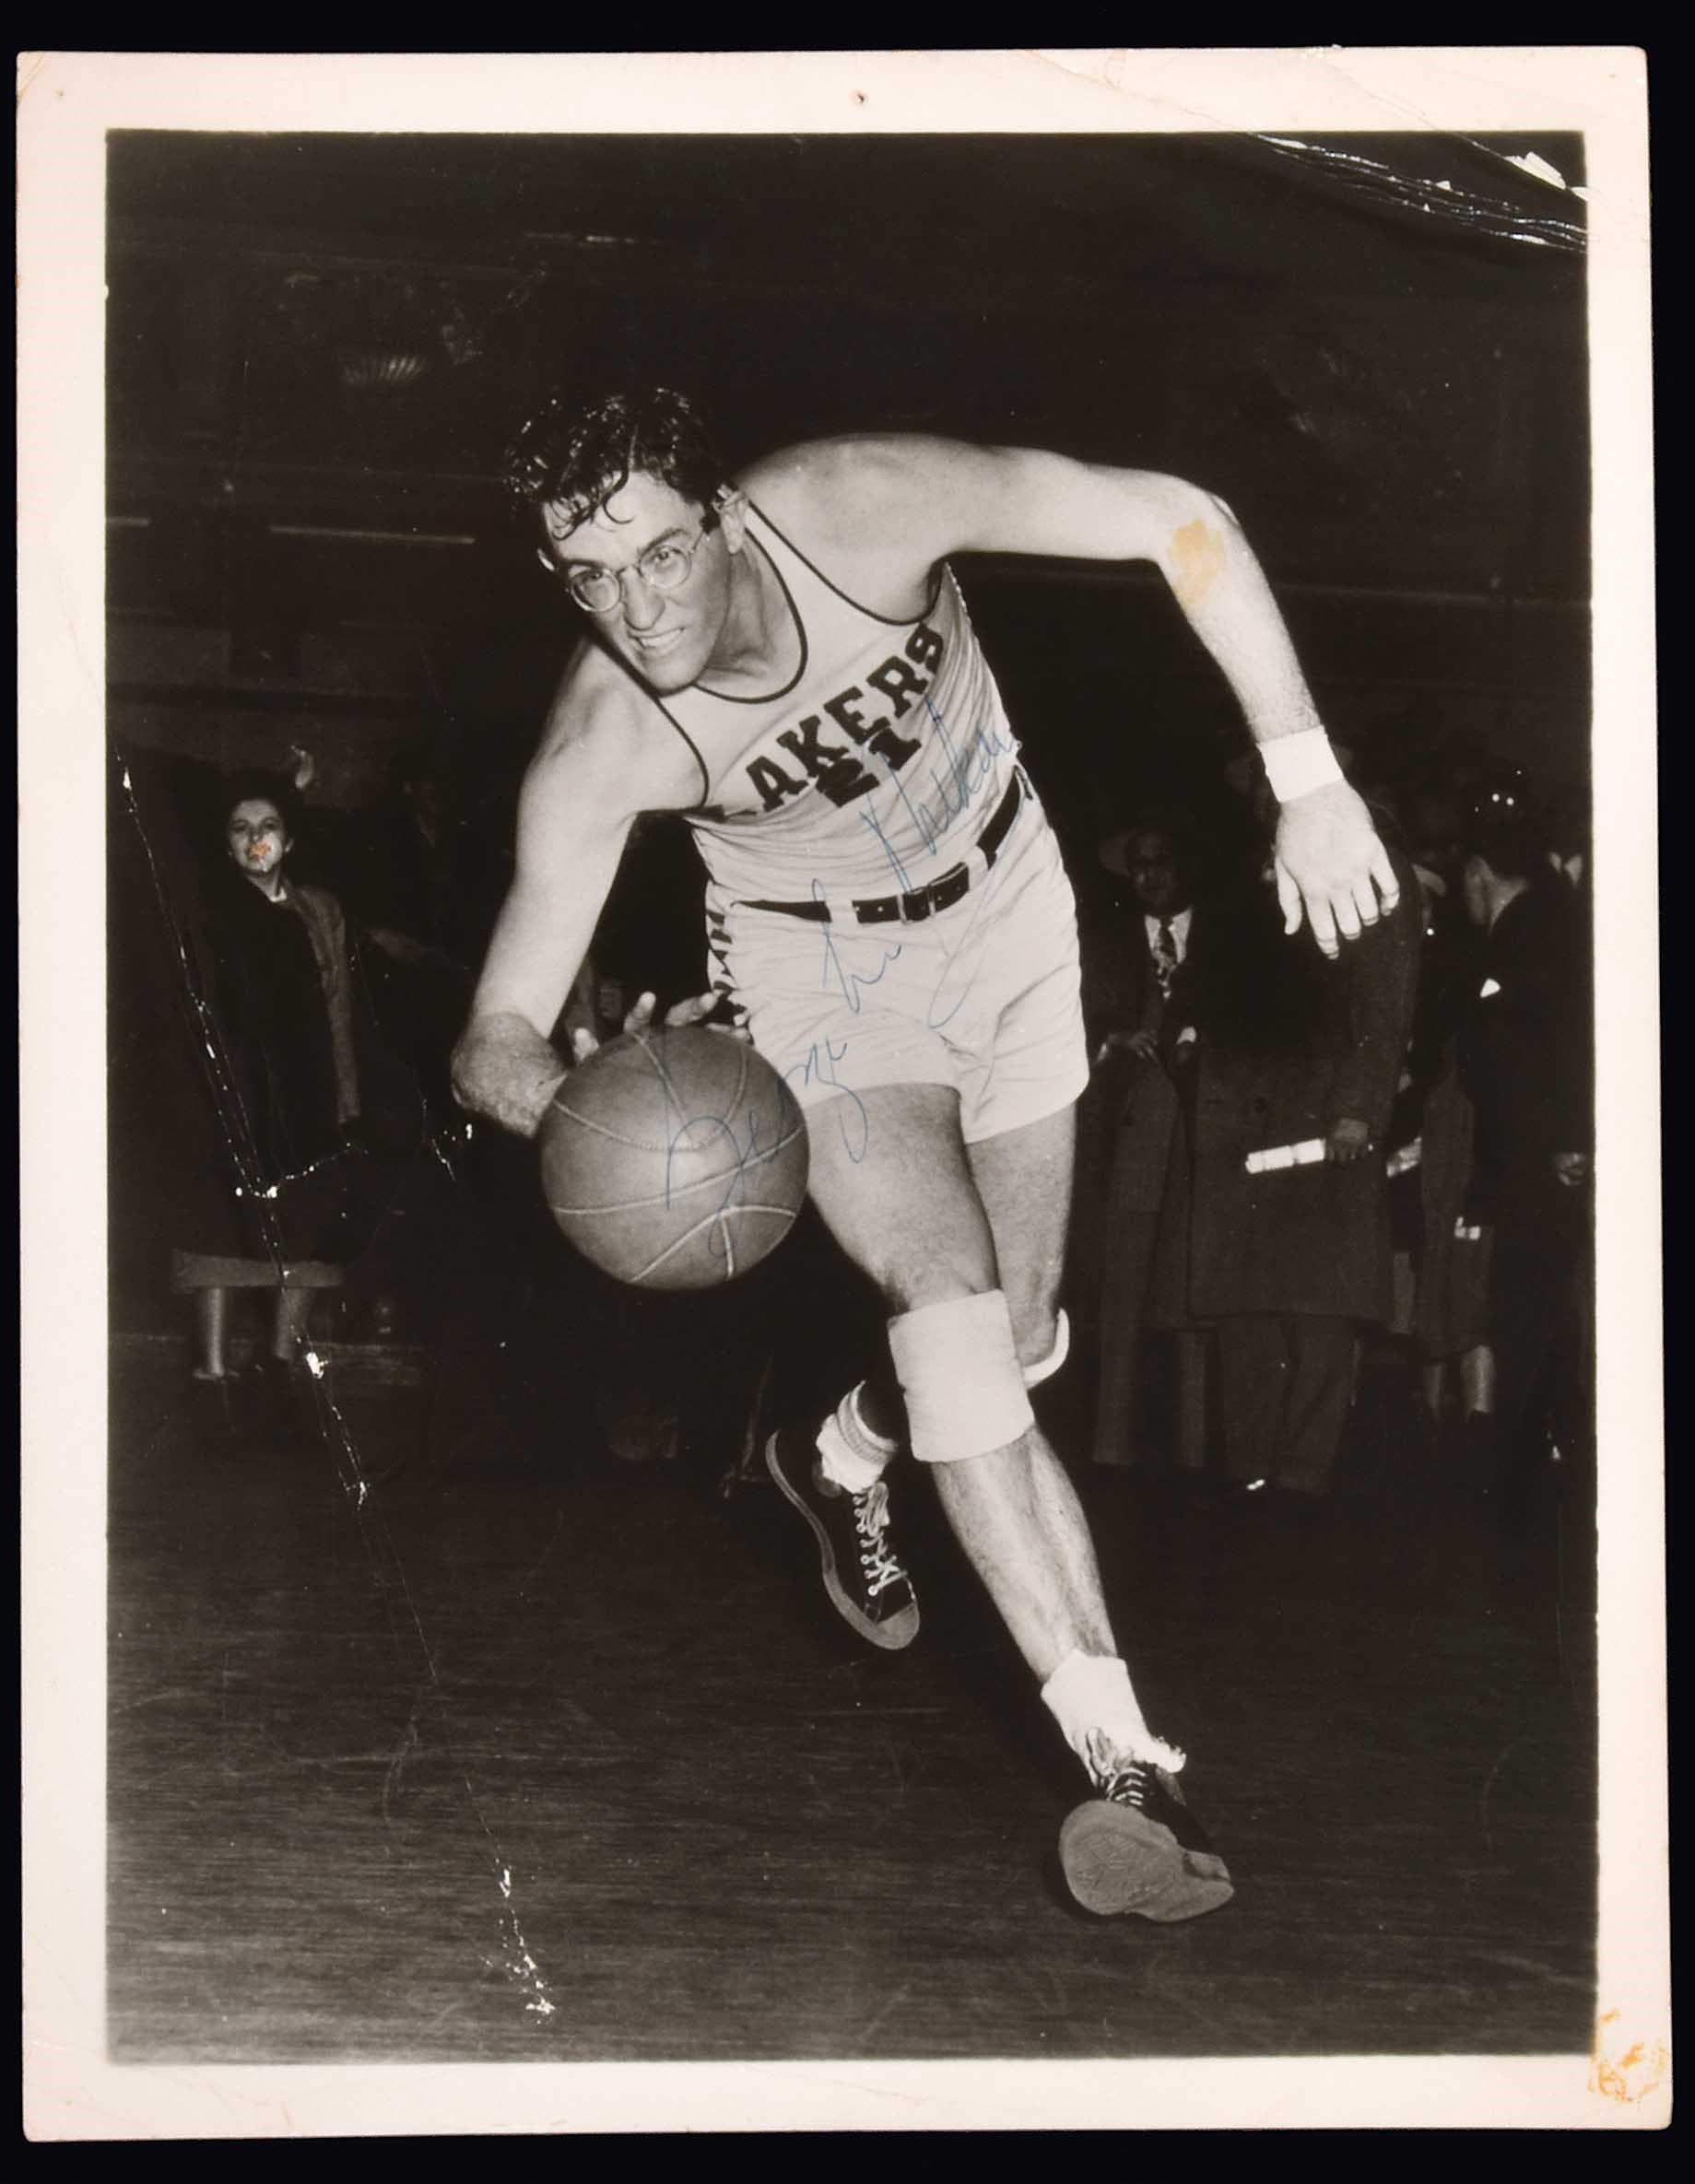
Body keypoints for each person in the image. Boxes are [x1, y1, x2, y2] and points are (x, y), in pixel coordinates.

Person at [451, 388, 1401, 1920]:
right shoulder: (600, 742)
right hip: (820, 986)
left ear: (721, 513)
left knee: (1013, 1343)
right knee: (953, 1326)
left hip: (1012, 913)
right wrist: (576, 1101)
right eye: (589, 578)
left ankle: (835, 1455)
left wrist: (1309, 782)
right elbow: (491, 1031)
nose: (636, 606)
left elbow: (1183, 518)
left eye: (656, 557)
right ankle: (1127, 1767)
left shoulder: (857, 501)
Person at [1155, 795, 1421, 1509]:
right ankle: (1247, 1469)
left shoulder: (1369, 875)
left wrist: (1358, 1109)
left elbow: (1385, 999)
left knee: (1320, 1310)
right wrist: (1184, 1044)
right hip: (1234, 1130)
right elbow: (1194, 991)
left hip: (1323, 1128)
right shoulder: (1237, 890)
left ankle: (1302, 1475)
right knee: (1244, 1310)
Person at [171, 775, 369, 1386]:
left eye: (269, 826)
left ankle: (281, 1364)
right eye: (241, 828)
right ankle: (212, 1371)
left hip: (306, 1092)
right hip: (233, 1091)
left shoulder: (322, 910)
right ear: (225, 845)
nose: (256, 838)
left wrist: (345, 1098)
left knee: (305, 1229)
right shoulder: (203, 908)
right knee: (220, 1227)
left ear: (290, 840)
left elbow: (339, 1007)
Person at [1455, 775, 1592, 1508]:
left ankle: (1543, 1455)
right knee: (1533, 1301)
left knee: (1531, 1303)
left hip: (1536, 1162)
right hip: (1531, 1158)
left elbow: (1561, 1046)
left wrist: (1568, 1137)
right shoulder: (1540, 929)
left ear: (1479, 875)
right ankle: (1545, 1448)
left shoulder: (1531, 936)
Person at [1081, 817, 1209, 1471]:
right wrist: (1111, 1043)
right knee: (1123, 1297)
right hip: (1130, 1149)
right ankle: (1111, 1453)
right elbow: (1073, 1031)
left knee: (1192, 1303)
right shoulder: (1104, 947)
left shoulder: (1223, 940)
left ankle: (1196, 1457)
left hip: (1198, 1150)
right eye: (1139, 864)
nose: (1151, 874)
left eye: (1162, 859)